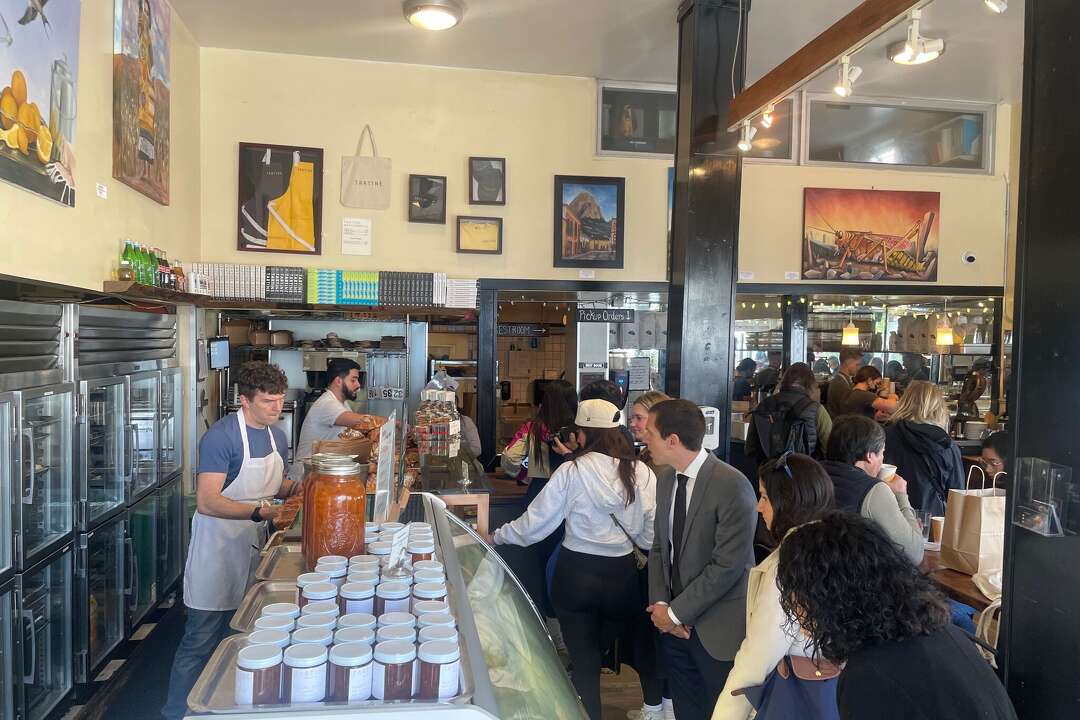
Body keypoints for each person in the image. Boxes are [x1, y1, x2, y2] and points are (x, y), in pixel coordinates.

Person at [492, 399, 657, 720]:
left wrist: (497, 536)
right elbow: (650, 537)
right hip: (621, 580)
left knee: (583, 662)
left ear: (584, 435)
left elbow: (534, 526)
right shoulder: (642, 472)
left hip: (575, 575)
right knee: (599, 650)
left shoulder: (572, 470)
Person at [774, 513, 1018, 720]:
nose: (792, 603)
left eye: (797, 590)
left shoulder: (869, 677)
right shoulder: (938, 633)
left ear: (828, 595)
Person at [163, 362, 296, 720]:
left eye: (280, 400)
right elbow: (208, 500)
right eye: (268, 401)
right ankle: (176, 712)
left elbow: (278, 485)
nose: (276, 408)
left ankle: (227, 711)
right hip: (217, 550)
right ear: (244, 400)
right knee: (201, 639)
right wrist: (260, 513)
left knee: (245, 636)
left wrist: (302, 488)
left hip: (255, 549)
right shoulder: (221, 437)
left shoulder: (276, 435)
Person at [643, 399, 757, 720]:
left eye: (650, 433)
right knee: (686, 710)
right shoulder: (666, 478)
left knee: (717, 713)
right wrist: (662, 607)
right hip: (674, 629)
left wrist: (676, 613)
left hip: (716, 631)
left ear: (673, 440)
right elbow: (659, 549)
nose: (644, 438)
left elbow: (727, 567)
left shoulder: (732, 485)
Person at [712, 453, 837, 720]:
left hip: (794, 700)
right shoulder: (839, 548)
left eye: (765, 497)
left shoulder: (786, 567)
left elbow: (756, 660)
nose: (759, 507)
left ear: (788, 503)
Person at [498, 380, 578, 638]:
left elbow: (510, 458)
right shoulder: (579, 431)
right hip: (571, 502)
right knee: (566, 565)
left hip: (540, 496)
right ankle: (570, 630)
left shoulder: (535, 427)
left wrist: (522, 475)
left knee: (540, 566)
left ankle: (548, 629)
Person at [626, 389, 675, 720]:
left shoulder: (654, 467)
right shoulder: (651, 460)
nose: (632, 424)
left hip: (653, 562)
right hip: (663, 561)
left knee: (651, 638)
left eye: (639, 418)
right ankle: (665, 706)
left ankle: (653, 707)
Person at [822, 415, 923, 564]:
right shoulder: (874, 491)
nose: (883, 458)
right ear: (869, 456)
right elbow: (914, 554)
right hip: (855, 579)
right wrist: (900, 495)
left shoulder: (812, 474)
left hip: (811, 574)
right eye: (882, 452)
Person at [884, 381, 965, 516]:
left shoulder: (884, 436)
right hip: (932, 519)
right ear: (938, 407)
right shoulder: (946, 445)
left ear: (905, 402)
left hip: (891, 515)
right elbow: (958, 495)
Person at [290, 358, 374, 481]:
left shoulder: (343, 404)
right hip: (306, 477)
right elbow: (363, 422)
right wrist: (395, 424)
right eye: (353, 380)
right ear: (338, 381)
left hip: (322, 472)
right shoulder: (327, 404)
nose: (358, 385)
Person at [746, 363, 830, 460]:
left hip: (768, 472)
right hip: (806, 471)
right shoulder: (816, 409)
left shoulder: (763, 405)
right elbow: (829, 447)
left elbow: (750, 448)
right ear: (811, 384)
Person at [629, 390, 672, 469]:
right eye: (632, 418)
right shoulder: (644, 453)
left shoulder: (663, 460)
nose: (632, 424)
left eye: (639, 418)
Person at [824, 348, 862, 417]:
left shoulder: (845, 379)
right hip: (840, 425)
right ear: (848, 363)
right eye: (857, 364)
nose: (859, 368)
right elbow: (848, 409)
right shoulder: (839, 383)